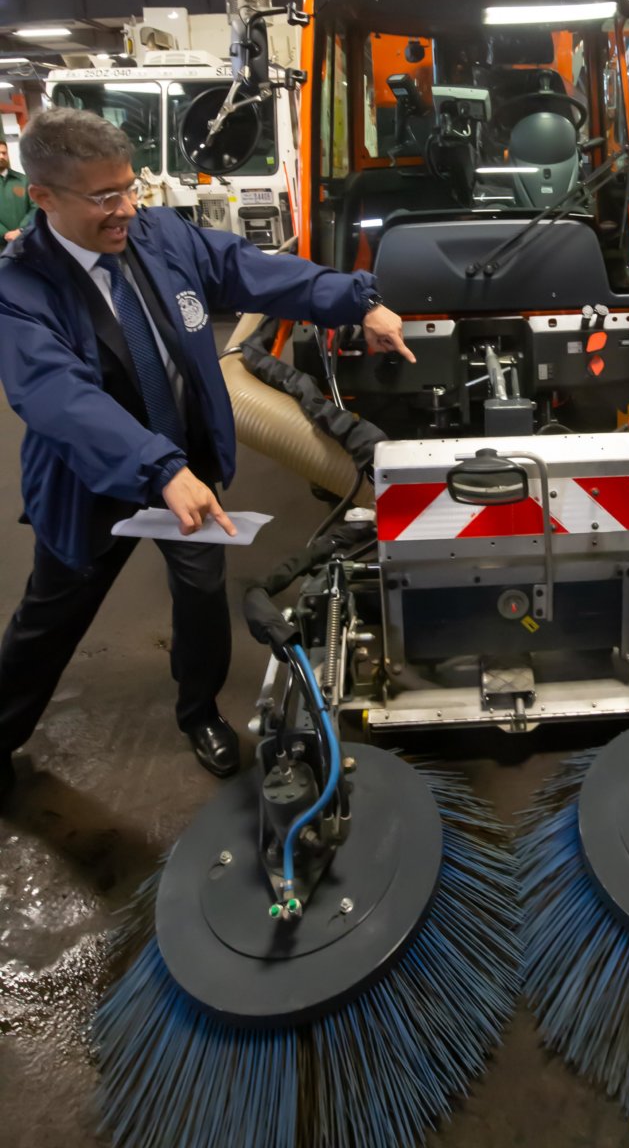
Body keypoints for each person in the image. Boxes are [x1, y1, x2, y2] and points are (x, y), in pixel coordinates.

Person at [0, 109, 413, 804]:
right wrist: (156, 469)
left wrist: (356, 303)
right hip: (90, 482)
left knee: (199, 599)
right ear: (42, 196)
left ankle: (199, 713)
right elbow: (57, 396)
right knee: (52, 615)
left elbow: (250, 271)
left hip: (187, 463)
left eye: (130, 189)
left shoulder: (160, 237)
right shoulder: (19, 288)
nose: (125, 209)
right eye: (103, 197)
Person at [0, 135, 35, 243]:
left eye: (4, 153)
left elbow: (37, 207)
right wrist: (4, 233)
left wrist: (21, 230)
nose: (1, 156)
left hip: (27, 240)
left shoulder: (24, 180)